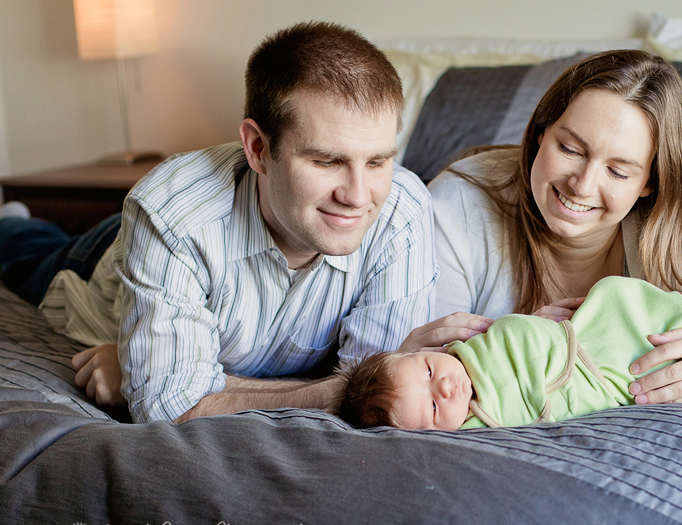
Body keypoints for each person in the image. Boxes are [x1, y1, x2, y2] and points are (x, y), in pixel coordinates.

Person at [0, 22, 443, 423]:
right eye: (327, 161)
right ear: (257, 148)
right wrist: (157, 379)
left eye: (379, 161)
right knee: (22, 246)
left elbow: (370, 395)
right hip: (100, 263)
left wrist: (143, 369)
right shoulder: (171, 214)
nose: (358, 196)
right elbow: (169, 407)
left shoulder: (403, 215)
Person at [403, 49, 682, 405]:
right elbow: (423, 375)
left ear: (649, 183)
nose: (582, 185)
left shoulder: (681, 234)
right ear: (539, 133)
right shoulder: (462, 199)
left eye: (619, 172)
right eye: (570, 148)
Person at [339, 276, 682, 430]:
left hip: (580, 344)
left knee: (617, 298)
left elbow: (521, 339)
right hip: (585, 388)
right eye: (436, 411)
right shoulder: (476, 430)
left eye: (427, 370)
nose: (443, 387)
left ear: (433, 350)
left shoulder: (483, 344)